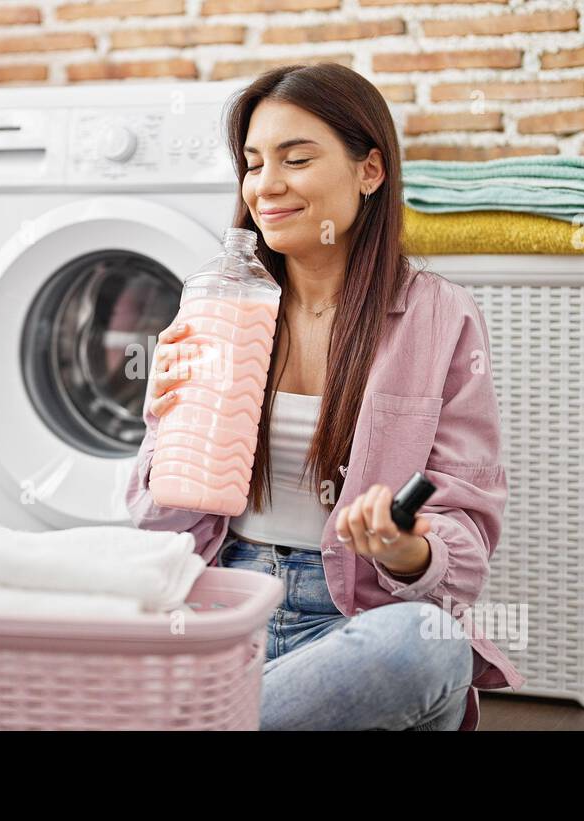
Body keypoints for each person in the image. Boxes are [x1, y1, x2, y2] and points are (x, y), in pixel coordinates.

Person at [124, 63, 525, 730]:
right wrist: (168, 428)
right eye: (252, 164)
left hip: (360, 626)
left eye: (296, 158)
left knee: (424, 650)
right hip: (231, 606)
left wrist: (407, 548)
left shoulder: (439, 318)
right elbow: (155, 525)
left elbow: (468, 532)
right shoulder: (220, 305)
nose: (266, 185)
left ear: (370, 171)